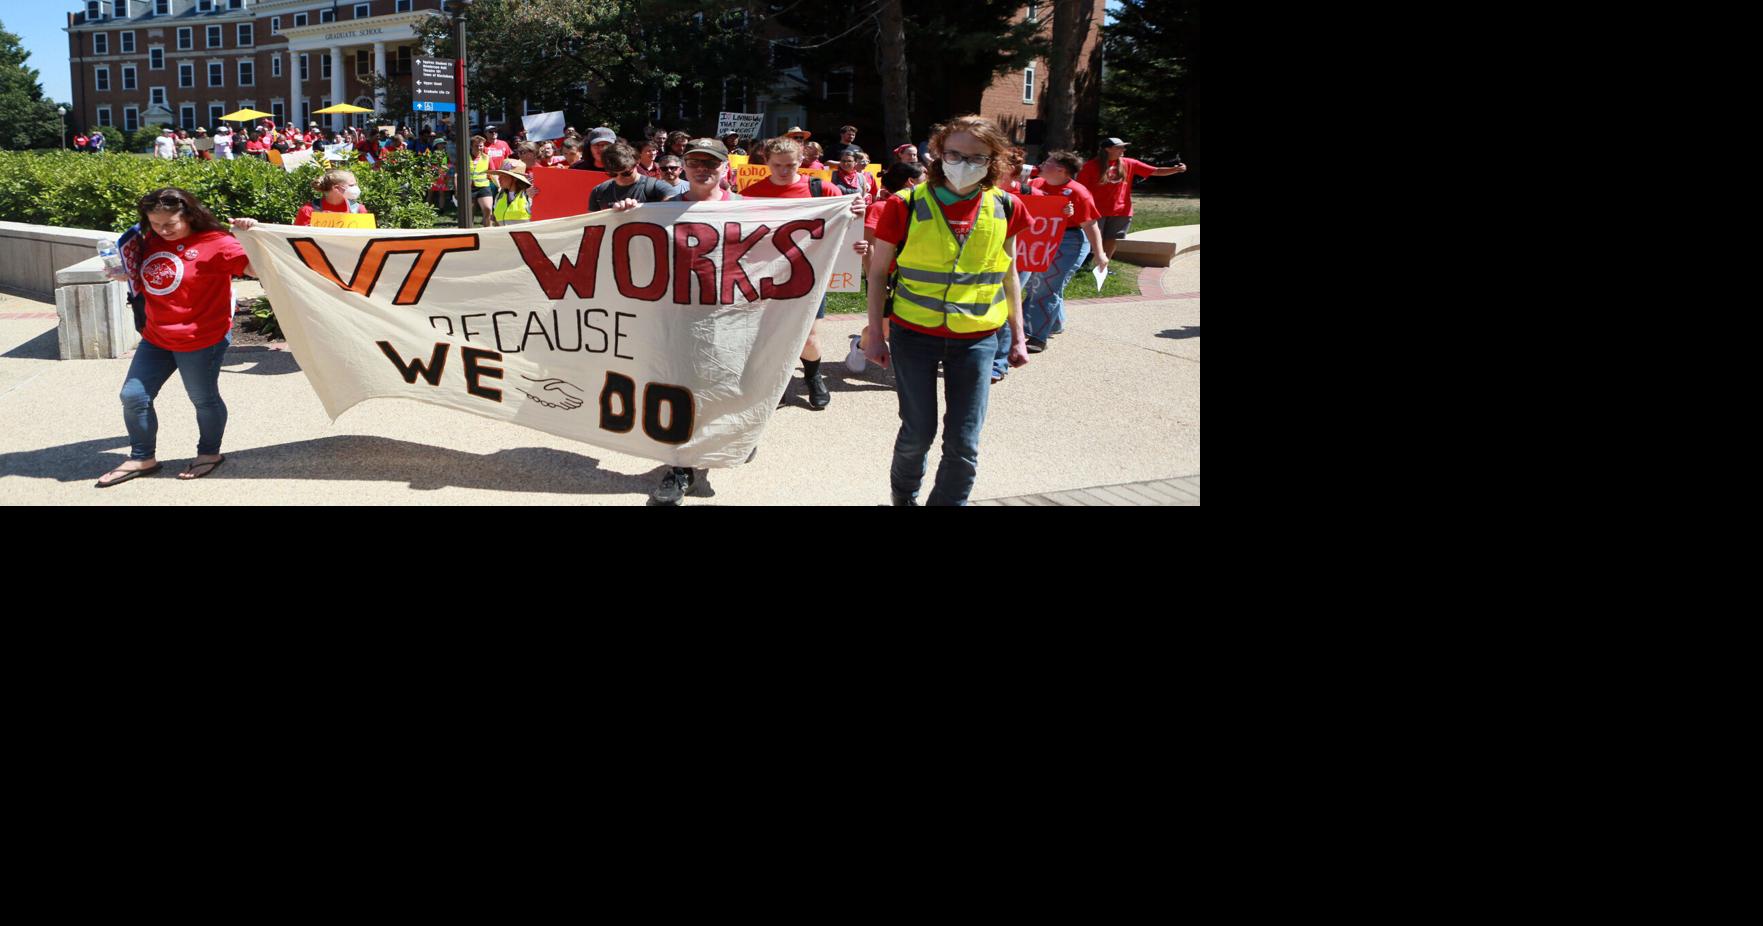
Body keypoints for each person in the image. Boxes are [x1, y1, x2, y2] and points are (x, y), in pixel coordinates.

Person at [610, 138, 868, 505]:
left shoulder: (752, 209)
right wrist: (626, 213)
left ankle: (731, 439)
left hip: (738, 316)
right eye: (694, 161)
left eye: (711, 162)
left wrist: (848, 225)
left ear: (725, 168)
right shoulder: (660, 209)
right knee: (681, 390)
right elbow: (631, 249)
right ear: (684, 167)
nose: (703, 168)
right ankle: (680, 467)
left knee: (734, 386)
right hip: (681, 318)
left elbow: (798, 245)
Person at [864, 115, 1029, 506]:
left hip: (978, 340)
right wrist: (874, 332)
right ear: (937, 153)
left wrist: (1019, 336)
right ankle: (903, 497)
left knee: (964, 440)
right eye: (955, 153)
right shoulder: (903, 204)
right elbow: (876, 275)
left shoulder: (1008, 206)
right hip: (913, 335)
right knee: (917, 432)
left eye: (977, 156)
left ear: (994, 160)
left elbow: (1010, 276)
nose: (964, 163)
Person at [95, 188, 258, 487]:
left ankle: (209, 454)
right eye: (155, 224)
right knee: (133, 396)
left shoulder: (218, 243)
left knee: (203, 398)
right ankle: (143, 457)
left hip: (201, 339)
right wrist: (127, 273)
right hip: (156, 336)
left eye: (170, 223)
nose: (163, 230)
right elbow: (153, 274)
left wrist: (252, 235)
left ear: (190, 215)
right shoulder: (151, 241)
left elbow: (256, 268)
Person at [742, 135, 865, 410]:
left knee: (807, 336)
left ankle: (813, 377)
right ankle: (779, 384)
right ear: (766, 162)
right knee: (771, 334)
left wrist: (858, 217)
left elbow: (850, 223)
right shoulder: (753, 193)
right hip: (768, 275)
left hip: (810, 275)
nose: (784, 172)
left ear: (801, 162)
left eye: (791, 165)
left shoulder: (821, 189)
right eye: (778, 166)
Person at [1003, 150, 1108, 374]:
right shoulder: (1038, 182)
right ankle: (1055, 324)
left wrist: (1100, 254)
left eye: (1048, 162)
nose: (1042, 163)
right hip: (1041, 237)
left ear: (1061, 170)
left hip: (1069, 241)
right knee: (1040, 285)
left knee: (1046, 287)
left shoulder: (1079, 193)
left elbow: (1090, 225)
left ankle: (1038, 337)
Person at [846, 160, 923, 374]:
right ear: (911, 182)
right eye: (924, 176)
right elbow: (868, 244)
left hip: (911, 276)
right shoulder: (882, 207)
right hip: (887, 277)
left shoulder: (923, 207)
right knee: (886, 328)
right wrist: (873, 279)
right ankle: (861, 345)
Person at [1074, 136, 1187, 262]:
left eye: (1123, 147)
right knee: (1094, 237)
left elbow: (1156, 171)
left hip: (1121, 210)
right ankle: (1086, 262)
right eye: (1119, 147)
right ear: (1107, 149)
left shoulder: (1129, 163)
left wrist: (1175, 169)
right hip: (1096, 210)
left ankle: (1103, 266)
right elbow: (1081, 188)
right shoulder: (1091, 166)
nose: (1123, 150)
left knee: (1113, 238)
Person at [587, 142, 673, 212]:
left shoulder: (657, 187)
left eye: (626, 173)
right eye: (613, 174)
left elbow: (675, 210)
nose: (619, 178)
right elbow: (591, 226)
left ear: (637, 162)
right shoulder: (599, 191)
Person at [293, 169, 371, 226]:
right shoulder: (308, 211)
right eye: (351, 185)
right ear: (336, 188)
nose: (356, 188)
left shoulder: (359, 210)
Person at [469, 135, 496, 226]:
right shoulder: (465, 157)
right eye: (476, 145)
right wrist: (457, 189)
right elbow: (457, 174)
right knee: (469, 213)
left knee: (488, 209)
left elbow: (493, 173)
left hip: (484, 187)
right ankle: (469, 232)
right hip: (469, 188)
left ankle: (488, 231)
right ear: (471, 146)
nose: (479, 148)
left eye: (481, 145)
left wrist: (499, 186)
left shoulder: (487, 157)